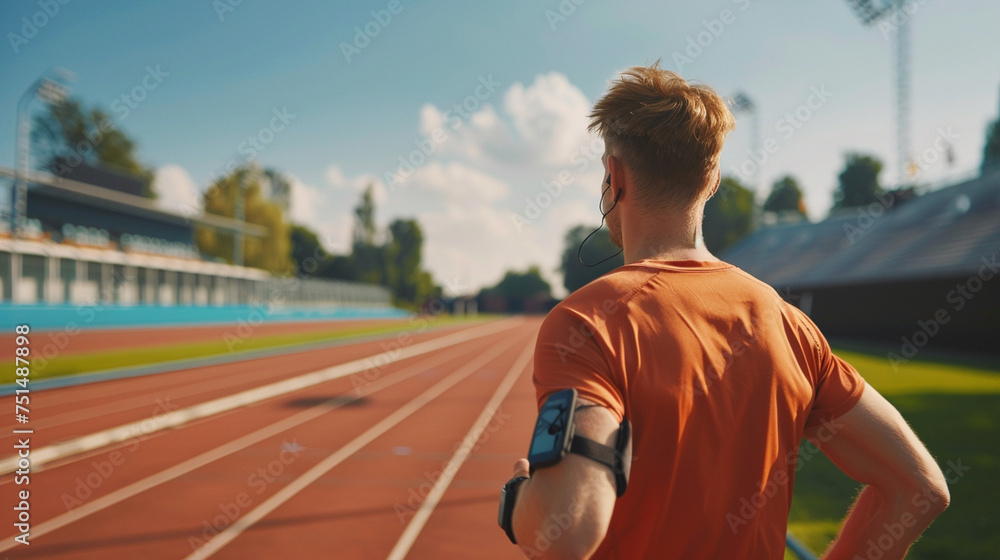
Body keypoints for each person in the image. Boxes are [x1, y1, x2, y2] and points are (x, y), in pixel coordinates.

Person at [500, 63, 949, 559]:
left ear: (614, 176)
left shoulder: (587, 322)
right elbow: (920, 488)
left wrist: (518, 499)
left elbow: (564, 534)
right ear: (711, 179)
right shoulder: (790, 325)